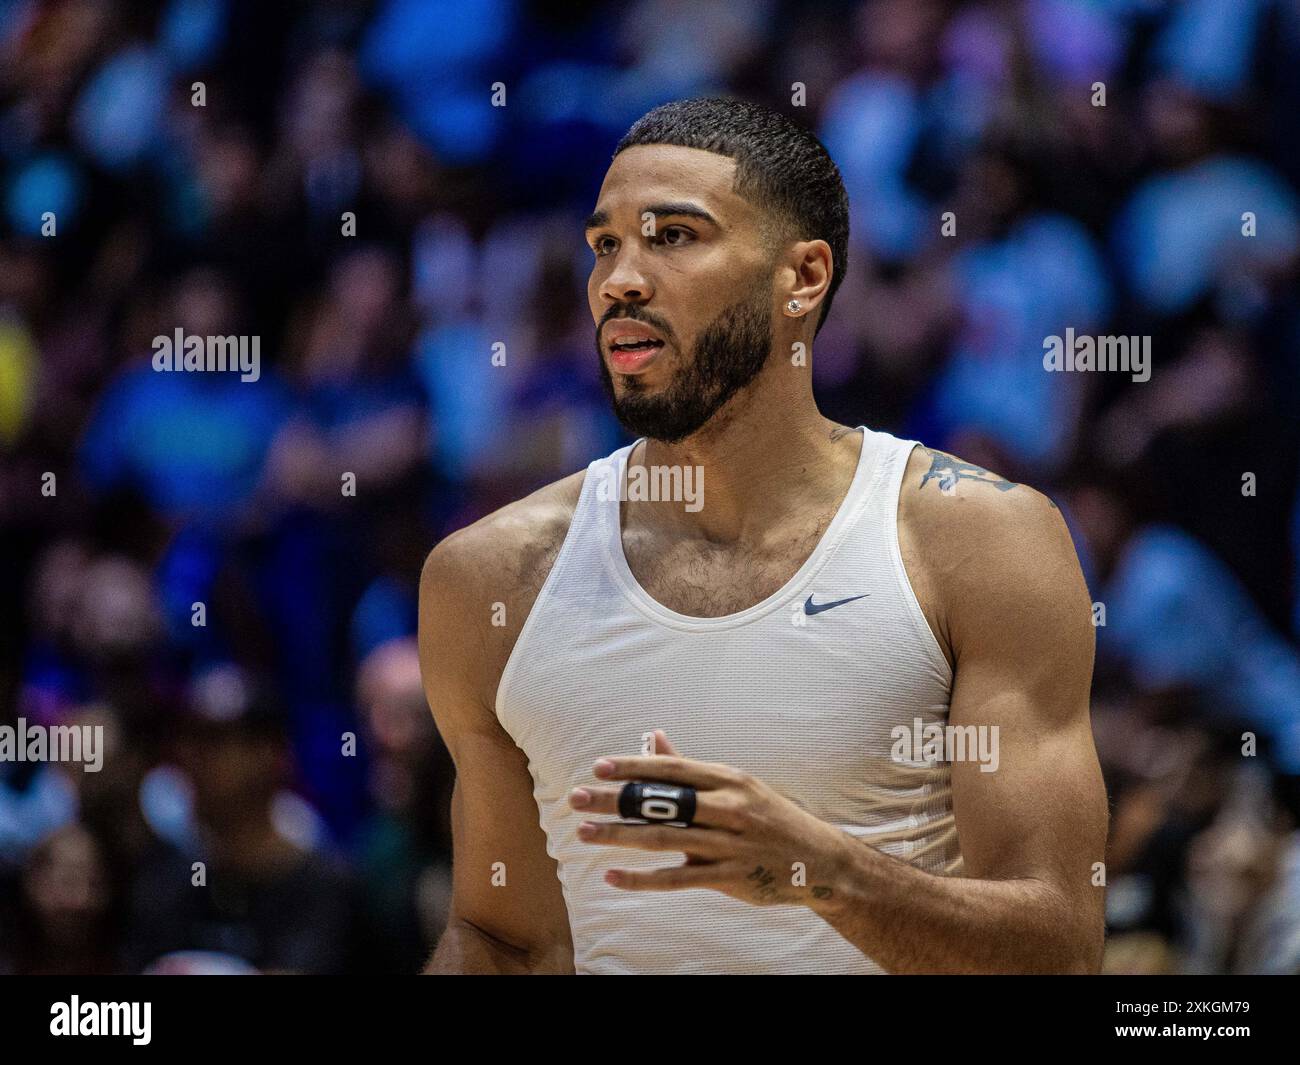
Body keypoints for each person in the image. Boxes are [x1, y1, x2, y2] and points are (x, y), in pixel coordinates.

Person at [417, 97, 1107, 974]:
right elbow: (503, 939)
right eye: (605, 244)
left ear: (803, 277)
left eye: (672, 236)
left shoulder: (978, 540)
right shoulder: (488, 581)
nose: (619, 279)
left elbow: (1062, 952)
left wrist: (822, 873)